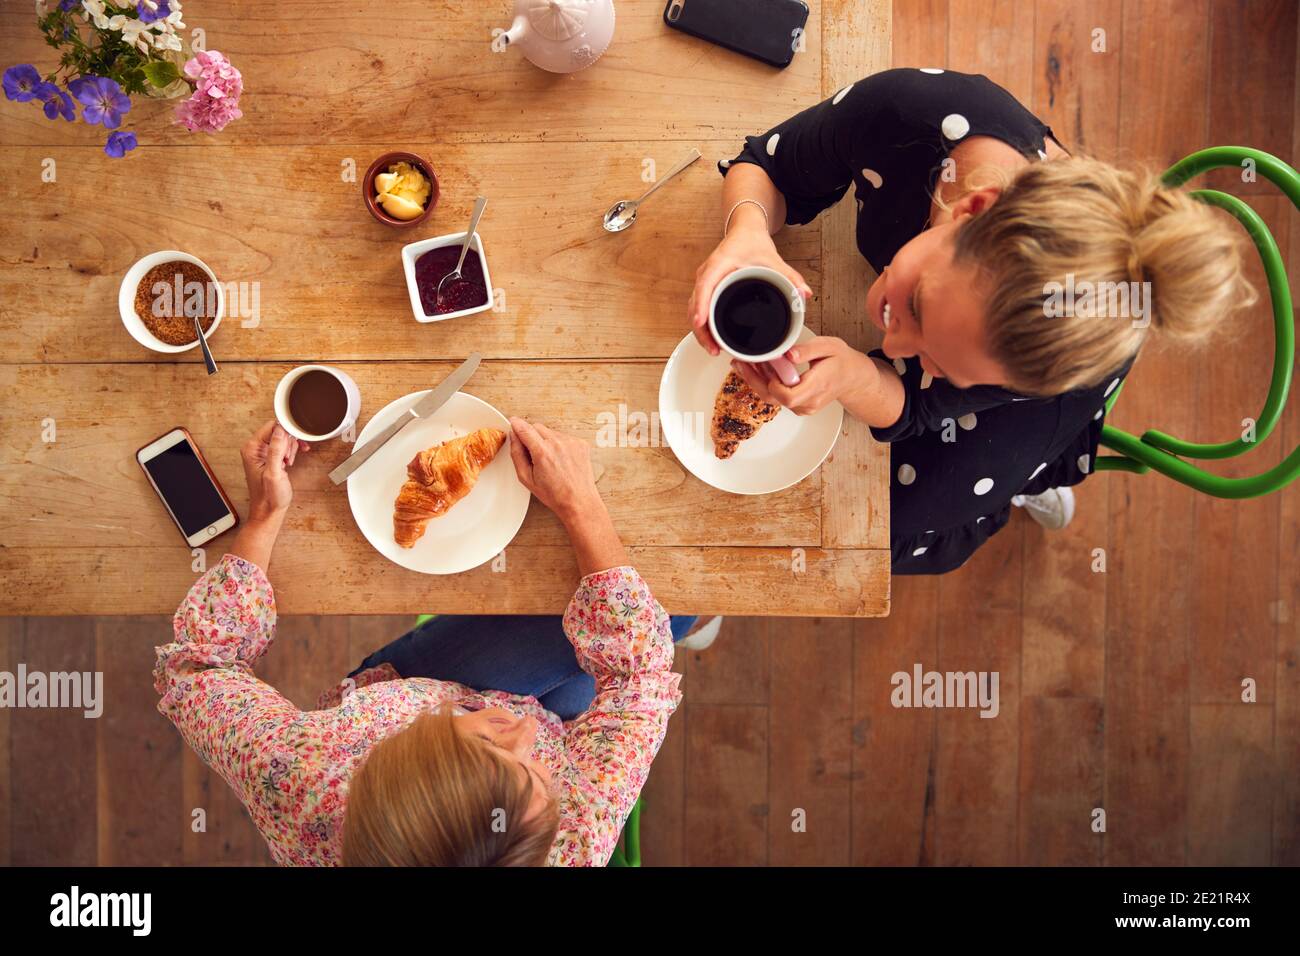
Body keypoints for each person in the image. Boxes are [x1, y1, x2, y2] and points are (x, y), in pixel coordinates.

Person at [689, 68, 1254, 574]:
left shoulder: (1038, 358)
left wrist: (858, 379)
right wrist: (748, 231)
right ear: (973, 207)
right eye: (916, 308)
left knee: (910, 515)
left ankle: (1020, 487)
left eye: (938, 361)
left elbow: (918, 405)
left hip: (1036, 409)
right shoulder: (910, 113)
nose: (887, 340)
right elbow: (767, 162)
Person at [154, 419, 693, 866]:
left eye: (487, 747)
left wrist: (265, 518)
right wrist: (580, 504)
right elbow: (637, 680)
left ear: (391, 751)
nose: (528, 728)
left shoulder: (295, 773)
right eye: (541, 782)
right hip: (542, 720)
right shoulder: (567, 847)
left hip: (425, 686)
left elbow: (199, 668)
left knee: (634, 623)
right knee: (674, 608)